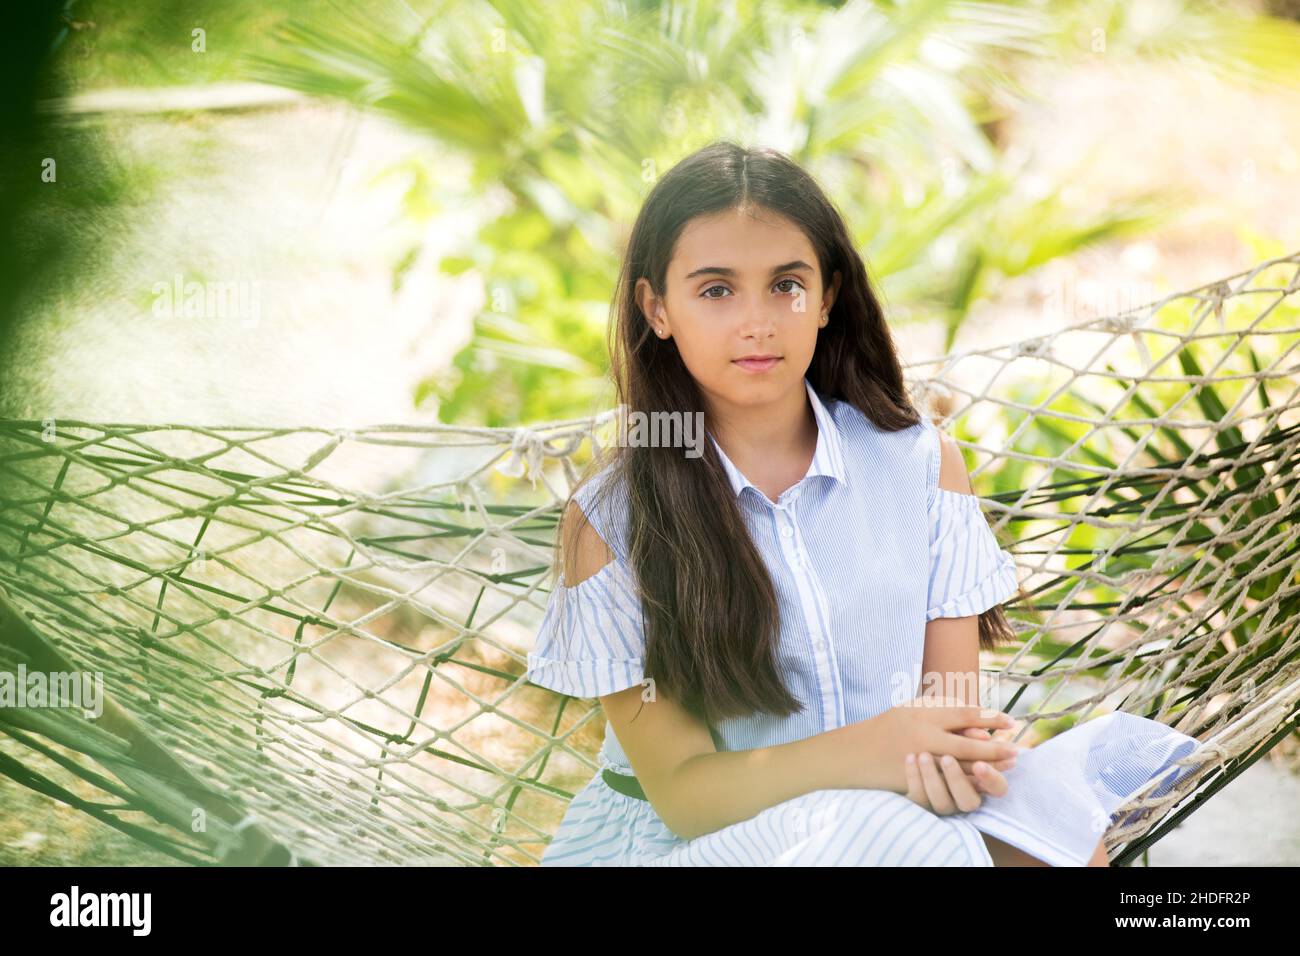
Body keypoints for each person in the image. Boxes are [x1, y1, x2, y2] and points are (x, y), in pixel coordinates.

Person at [525, 141, 1200, 866]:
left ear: (827, 298)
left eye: (786, 284)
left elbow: (946, 713)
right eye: (716, 290)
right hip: (679, 847)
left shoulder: (920, 466)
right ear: (656, 308)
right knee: (893, 838)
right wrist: (876, 751)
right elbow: (688, 799)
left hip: (887, 814)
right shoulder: (612, 522)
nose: (757, 321)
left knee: (1059, 829)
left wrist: (954, 760)